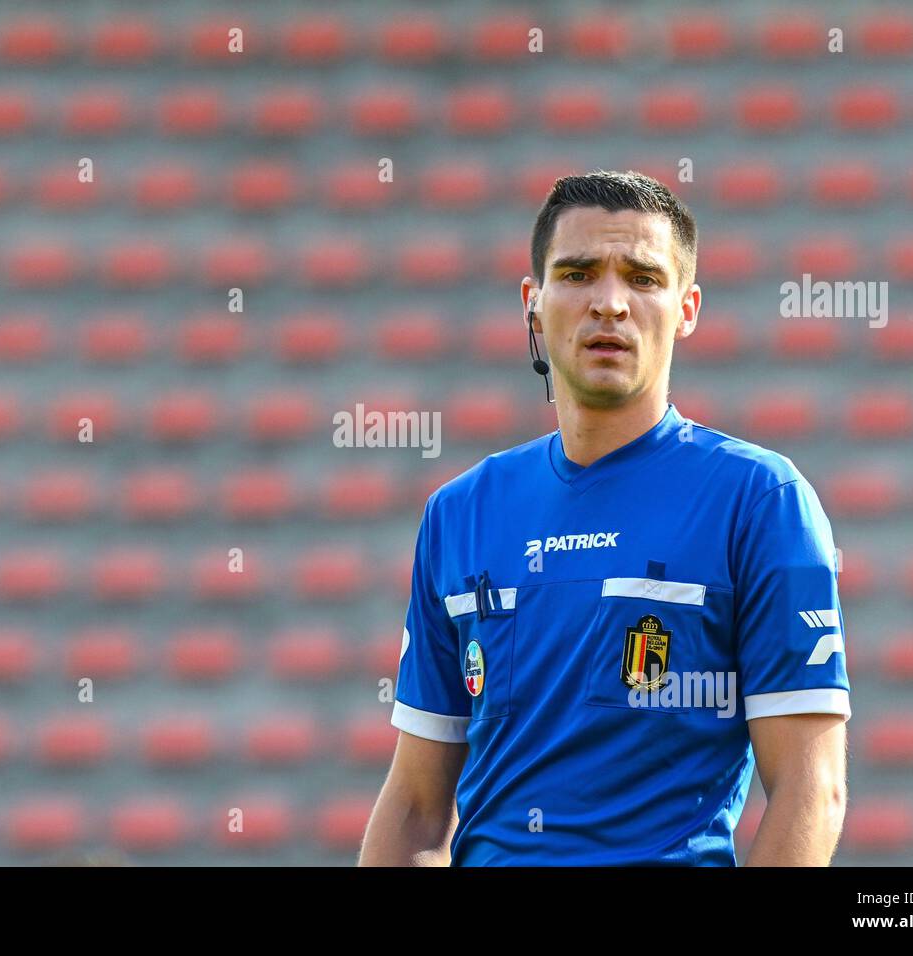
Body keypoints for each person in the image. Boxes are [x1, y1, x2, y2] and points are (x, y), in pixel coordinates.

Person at [359, 170, 849, 866]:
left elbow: (810, 791)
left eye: (643, 278)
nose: (610, 303)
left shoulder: (760, 501)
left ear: (687, 308)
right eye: (580, 273)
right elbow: (415, 808)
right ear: (533, 303)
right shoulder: (459, 512)